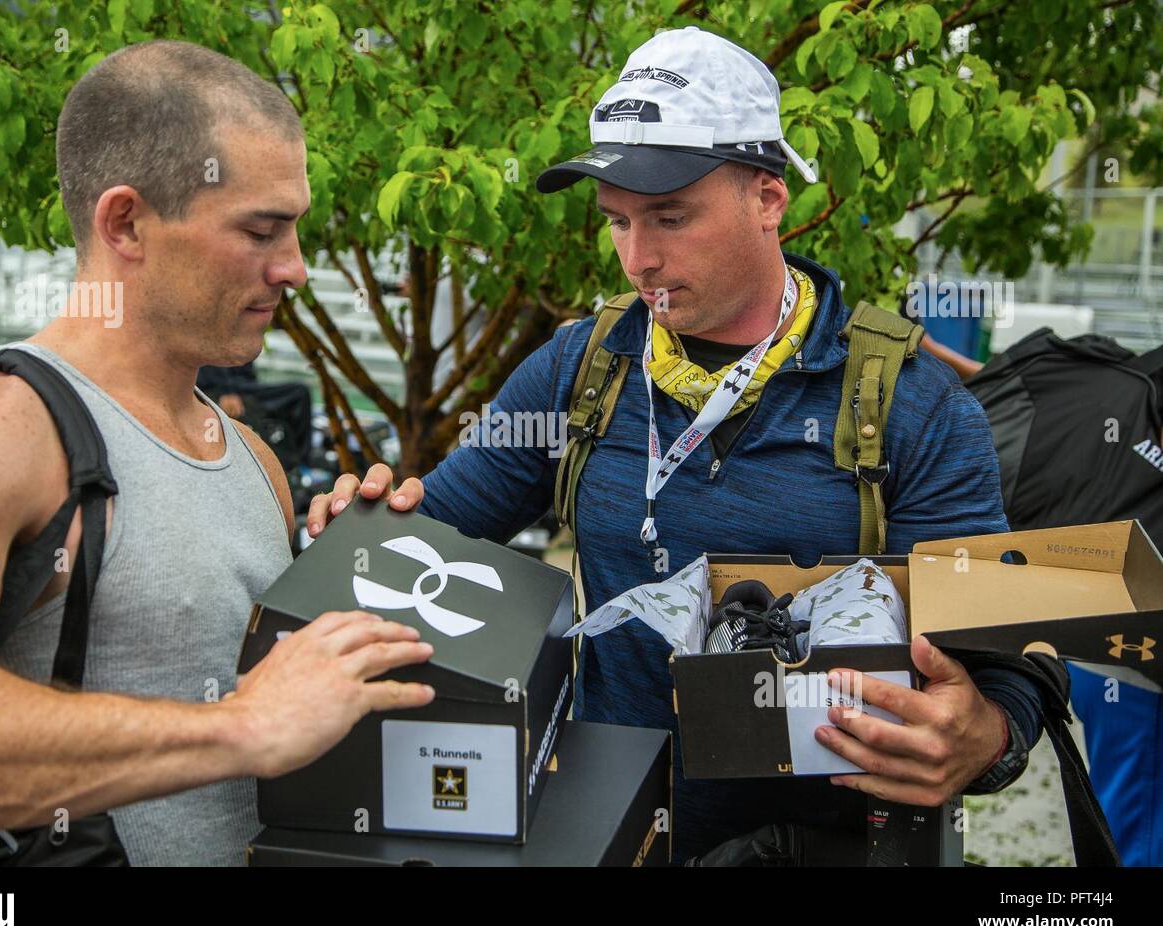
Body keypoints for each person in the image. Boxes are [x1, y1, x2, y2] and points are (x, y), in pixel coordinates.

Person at [308, 26, 1043, 862]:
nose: (640, 258)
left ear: (768, 198)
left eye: (670, 217)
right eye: (617, 222)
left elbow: (1006, 662)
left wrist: (983, 737)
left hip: (819, 845)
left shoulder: (912, 406)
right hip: (611, 832)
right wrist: (364, 532)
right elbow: (437, 533)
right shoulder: (582, 366)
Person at [0, 40, 434, 866]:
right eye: (261, 230)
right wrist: (237, 727)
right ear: (126, 222)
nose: (296, 269)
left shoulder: (251, 457)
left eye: (296, 229)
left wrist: (352, 575)